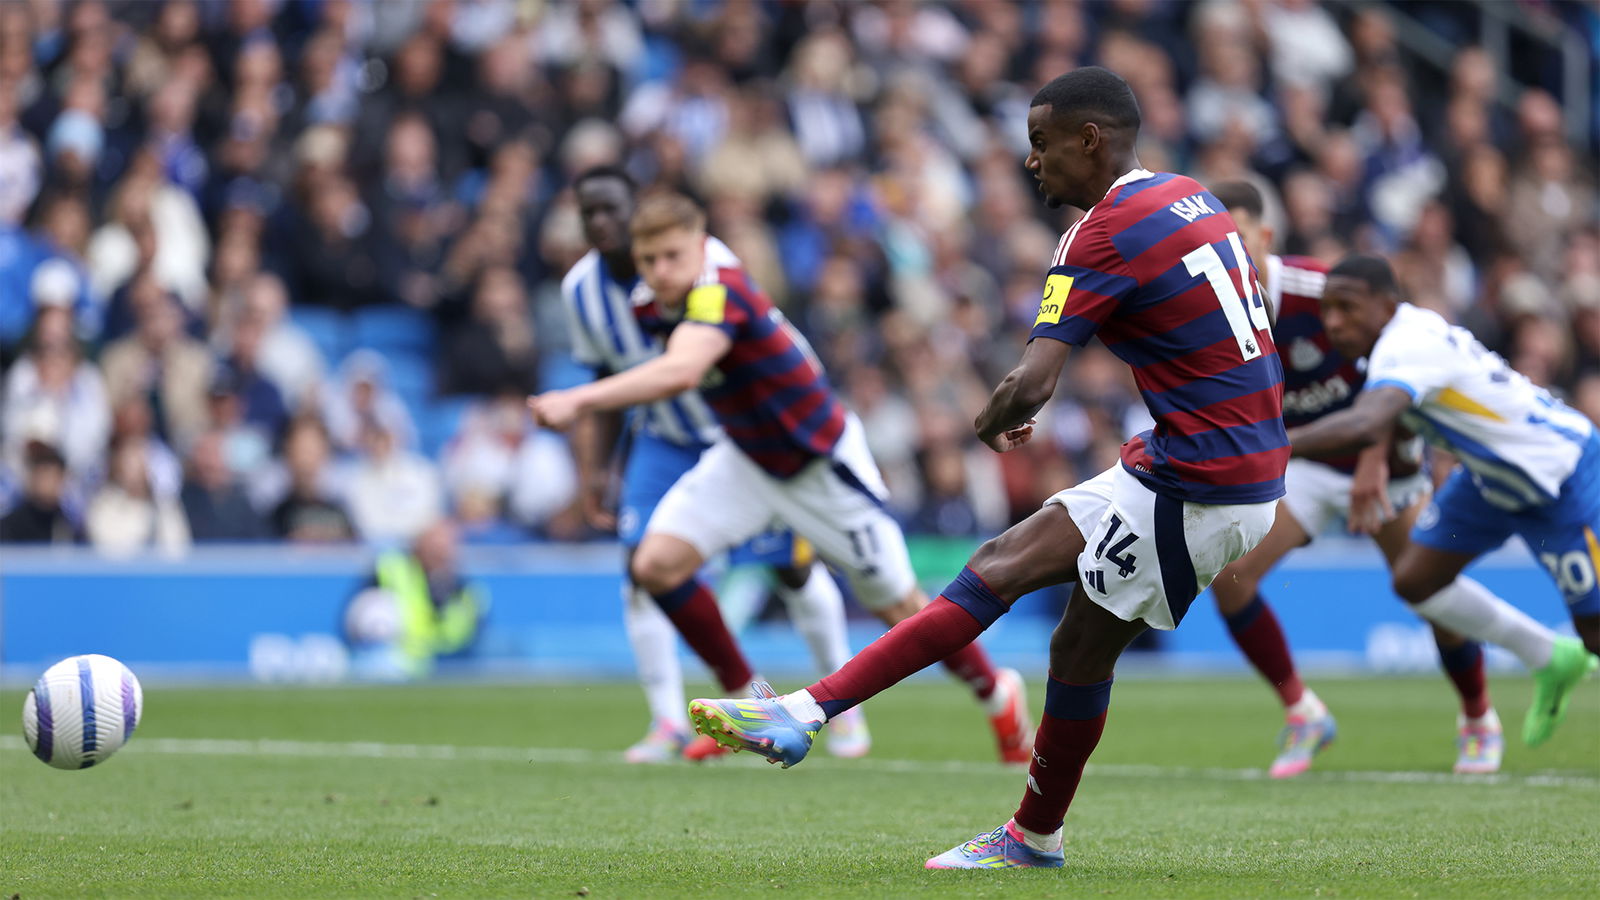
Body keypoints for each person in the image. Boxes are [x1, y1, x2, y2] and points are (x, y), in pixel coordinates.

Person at [686, 67, 1289, 869]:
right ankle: (997, 817)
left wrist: (989, 422)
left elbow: (1032, 380)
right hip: (1223, 459)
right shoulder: (1191, 194)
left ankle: (823, 723)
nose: (1031, 161)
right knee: (1026, 594)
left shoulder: (1100, 233)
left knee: (1043, 613)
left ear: (1091, 140)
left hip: (1204, 480)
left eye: (1042, 145)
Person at [532, 186, 1032, 766]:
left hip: (816, 463)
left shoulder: (721, 286)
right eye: (648, 261)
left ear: (701, 246)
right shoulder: (650, 300)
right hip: (745, 456)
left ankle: (997, 692)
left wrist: (580, 400)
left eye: (672, 257)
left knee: (900, 605)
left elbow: (685, 368)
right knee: (654, 565)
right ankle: (749, 698)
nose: (660, 272)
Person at [549, 166, 870, 762]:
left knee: (791, 570)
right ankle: (678, 719)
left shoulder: (707, 262)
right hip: (663, 439)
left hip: (735, 435)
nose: (601, 223)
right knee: (644, 567)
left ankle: (846, 714)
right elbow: (602, 374)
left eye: (611, 209)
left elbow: (726, 353)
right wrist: (597, 472)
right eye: (587, 212)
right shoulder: (580, 291)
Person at [1205, 180, 1502, 776]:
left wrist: (1372, 459)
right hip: (1309, 464)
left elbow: (1398, 363)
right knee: (1230, 575)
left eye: (1240, 241)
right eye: (1218, 247)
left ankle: (1477, 716)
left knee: (1428, 587)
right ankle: (1303, 713)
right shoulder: (1213, 312)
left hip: (1384, 456)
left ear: (1265, 237)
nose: (1231, 257)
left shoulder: (1324, 291)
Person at [1284, 254, 1599, 744]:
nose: (1333, 322)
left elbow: (1368, 421)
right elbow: (1395, 426)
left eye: (1347, 307)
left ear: (1386, 303)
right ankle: (1548, 655)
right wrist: (1381, 460)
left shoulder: (1406, 345)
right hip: (1491, 481)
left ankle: (1561, 655)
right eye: (1326, 310)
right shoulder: (1396, 341)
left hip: (1562, 474)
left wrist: (1273, 444)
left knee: (1596, 629)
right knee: (1415, 580)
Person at [343, 519, 488, 680]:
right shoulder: (391, 568)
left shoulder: (465, 590)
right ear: (419, 545)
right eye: (434, 545)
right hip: (391, 662)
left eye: (446, 546)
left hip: (444, 668)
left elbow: (472, 637)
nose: (441, 552)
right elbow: (358, 613)